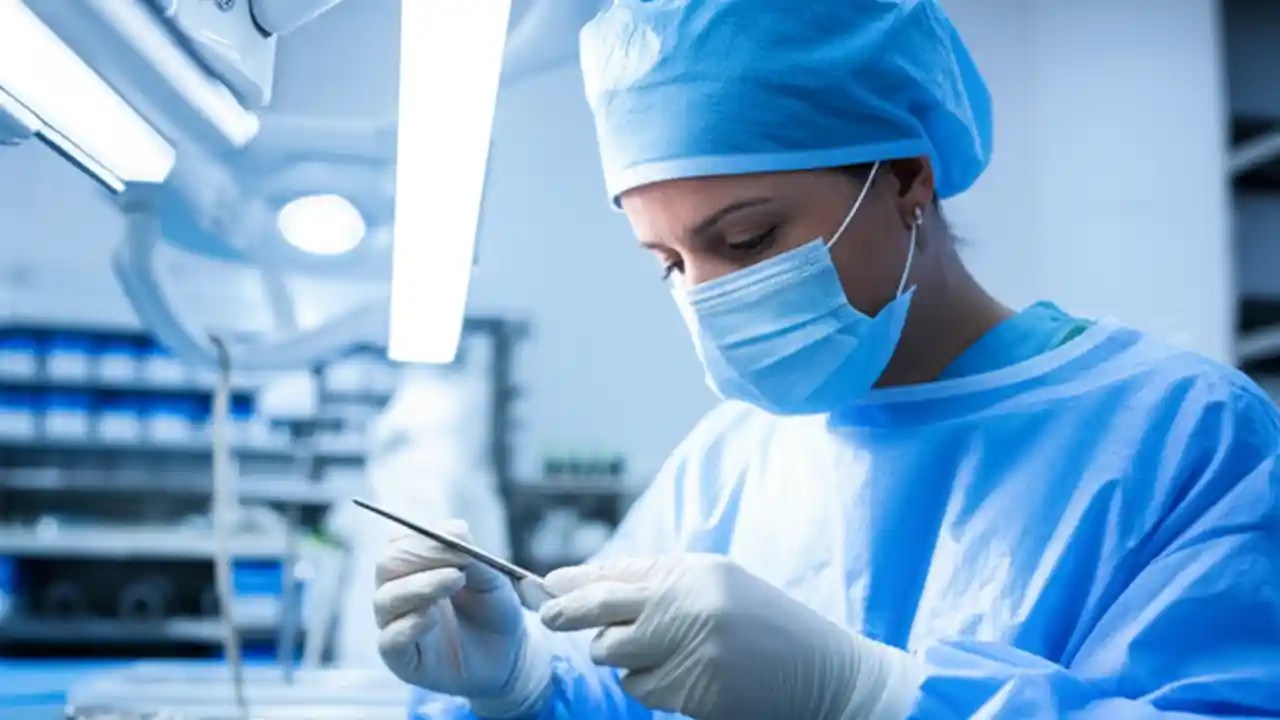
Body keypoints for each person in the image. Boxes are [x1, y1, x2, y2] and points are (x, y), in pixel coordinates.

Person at [373, 1, 1280, 718]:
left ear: (907, 179)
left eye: (748, 237)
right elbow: (627, 696)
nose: (708, 293)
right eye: (670, 265)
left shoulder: (1187, 438)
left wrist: (874, 699)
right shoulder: (733, 458)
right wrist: (527, 685)